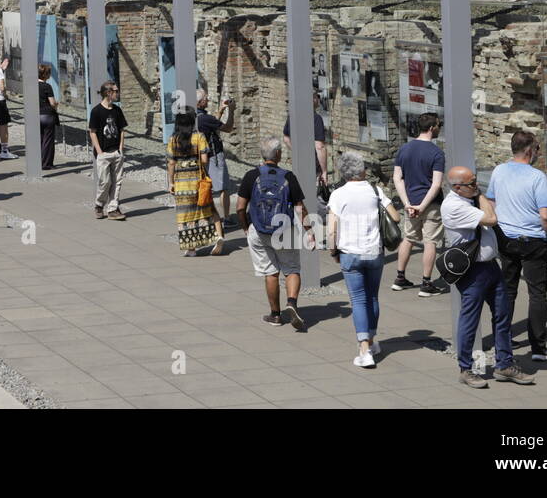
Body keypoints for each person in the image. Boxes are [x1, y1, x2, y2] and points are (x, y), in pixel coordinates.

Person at [442, 166, 535, 388]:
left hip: (490, 266)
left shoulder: (468, 199)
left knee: (502, 314)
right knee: (470, 319)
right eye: (471, 183)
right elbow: (491, 218)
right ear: (457, 187)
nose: (476, 186)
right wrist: (480, 194)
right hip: (473, 271)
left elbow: (491, 213)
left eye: (476, 182)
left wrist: (475, 193)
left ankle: (504, 364)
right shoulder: (454, 206)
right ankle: (466, 369)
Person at [486, 129, 547, 362]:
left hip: (506, 238)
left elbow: (492, 203)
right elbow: (545, 215)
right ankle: (537, 346)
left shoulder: (498, 171)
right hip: (533, 241)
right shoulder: (537, 177)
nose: (538, 152)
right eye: (537, 148)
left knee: (507, 290)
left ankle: (502, 339)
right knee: (537, 293)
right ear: (529, 150)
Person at [326, 152, 399, 368]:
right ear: (362, 170)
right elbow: (395, 217)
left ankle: (364, 349)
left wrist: (333, 251)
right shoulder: (376, 191)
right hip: (374, 251)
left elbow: (332, 230)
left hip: (350, 252)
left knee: (358, 300)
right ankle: (372, 341)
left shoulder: (338, 194)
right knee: (372, 297)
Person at [239, 137, 313, 329]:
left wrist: (246, 227)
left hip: (259, 230)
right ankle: (292, 303)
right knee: (292, 269)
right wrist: (310, 231)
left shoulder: (251, 176)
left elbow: (240, 207)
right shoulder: (289, 177)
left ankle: (275, 315)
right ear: (279, 154)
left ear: (263, 155)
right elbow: (300, 208)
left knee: (270, 272)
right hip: (284, 230)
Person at [391, 111, 447, 296]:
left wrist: (407, 203)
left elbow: (397, 178)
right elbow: (436, 184)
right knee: (430, 242)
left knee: (409, 238)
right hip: (430, 205)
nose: (439, 128)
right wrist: (422, 206)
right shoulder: (437, 153)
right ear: (432, 128)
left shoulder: (404, 149)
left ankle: (400, 278)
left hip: (410, 203)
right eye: (438, 125)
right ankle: (426, 283)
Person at [168, 110, 224, 257]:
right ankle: (218, 235)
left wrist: (171, 182)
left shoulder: (173, 140)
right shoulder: (199, 137)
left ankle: (191, 248)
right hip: (198, 182)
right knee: (209, 208)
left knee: (185, 215)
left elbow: (171, 163)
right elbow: (205, 160)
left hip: (181, 184)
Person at [88, 81, 127, 220]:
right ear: (108, 93)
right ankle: (99, 204)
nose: (118, 93)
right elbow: (92, 132)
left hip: (116, 152)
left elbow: (122, 129)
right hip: (103, 153)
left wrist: (121, 148)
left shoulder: (117, 110)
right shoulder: (96, 111)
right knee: (105, 182)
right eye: (116, 91)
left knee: (117, 181)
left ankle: (113, 209)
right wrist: (99, 152)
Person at [197, 90, 235, 222]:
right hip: (214, 156)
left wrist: (220, 111)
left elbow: (210, 125)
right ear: (200, 102)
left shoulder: (194, 117)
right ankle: (227, 218)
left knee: (205, 185)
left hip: (200, 156)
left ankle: (205, 217)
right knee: (223, 187)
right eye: (206, 98)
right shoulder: (206, 119)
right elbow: (228, 128)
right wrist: (232, 111)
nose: (208, 100)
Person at [282, 93, 328, 194]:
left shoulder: (292, 116)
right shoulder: (316, 118)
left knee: (299, 192)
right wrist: (324, 171)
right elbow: (320, 146)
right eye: (316, 96)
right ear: (312, 100)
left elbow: (286, 138)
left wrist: (297, 153)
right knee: (313, 196)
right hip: (313, 165)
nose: (318, 99)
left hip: (299, 163)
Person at [38, 63, 58, 170]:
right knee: (48, 141)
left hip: (37, 115)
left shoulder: (33, 86)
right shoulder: (47, 86)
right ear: (46, 75)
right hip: (47, 115)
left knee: (40, 140)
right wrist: (56, 104)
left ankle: (38, 161)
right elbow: (52, 103)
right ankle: (46, 164)